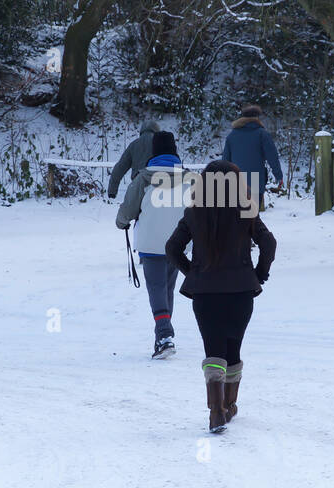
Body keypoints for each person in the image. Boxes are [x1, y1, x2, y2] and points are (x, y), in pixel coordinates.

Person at [165, 159, 277, 433]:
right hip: (241, 291)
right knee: (233, 347)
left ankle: (216, 411)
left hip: (206, 293)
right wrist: (259, 274)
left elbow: (172, 247)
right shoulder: (246, 209)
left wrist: (193, 271)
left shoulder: (194, 212)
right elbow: (269, 243)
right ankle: (229, 405)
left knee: (213, 348)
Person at [116, 131, 191, 358]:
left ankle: (164, 334)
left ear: (154, 152)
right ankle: (164, 334)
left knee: (157, 288)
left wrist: (121, 223)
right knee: (167, 288)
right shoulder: (190, 178)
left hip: (150, 243)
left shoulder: (144, 177)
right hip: (179, 243)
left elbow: (128, 209)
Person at [222, 104, 283, 210]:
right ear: (256, 118)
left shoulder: (232, 136)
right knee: (251, 217)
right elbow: (272, 157)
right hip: (255, 180)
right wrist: (278, 176)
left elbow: (225, 161)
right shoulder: (262, 134)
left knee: (237, 217)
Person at [107, 119, 160, 199]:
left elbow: (120, 168)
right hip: (157, 184)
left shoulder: (134, 145)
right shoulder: (161, 144)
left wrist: (112, 191)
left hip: (138, 185)